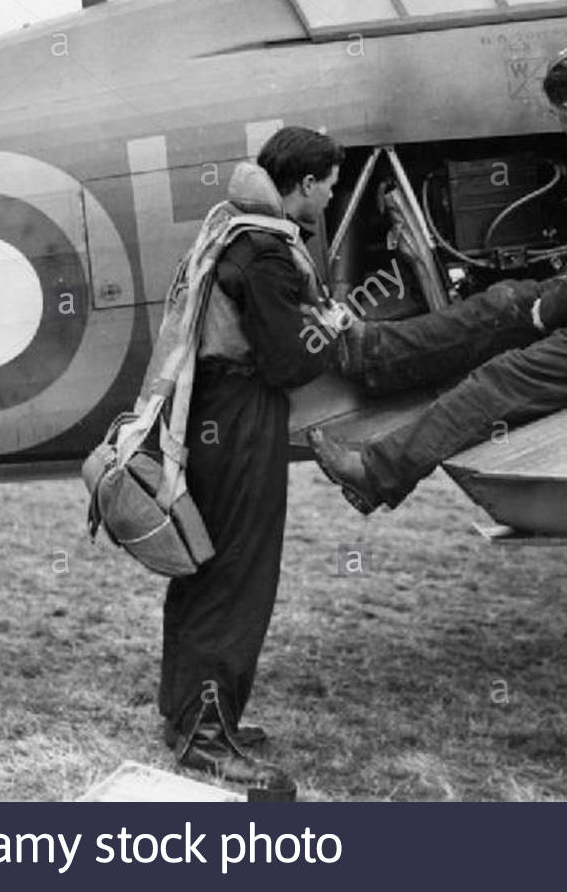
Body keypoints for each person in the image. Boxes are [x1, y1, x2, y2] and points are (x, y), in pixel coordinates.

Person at [308, 46, 567, 513]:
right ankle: (374, 353)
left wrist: (549, 310)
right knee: (501, 303)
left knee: (508, 377)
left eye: (557, 116)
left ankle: (378, 472)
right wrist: (541, 301)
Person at [158, 126, 341, 792]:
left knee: (205, 566)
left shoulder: (231, 227)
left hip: (210, 410)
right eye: (330, 182)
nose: (333, 194)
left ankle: (188, 713)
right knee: (239, 576)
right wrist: (335, 326)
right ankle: (207, 736)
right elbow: (289, 359)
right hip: (241, 416)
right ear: (306, 183)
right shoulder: (265, 249)